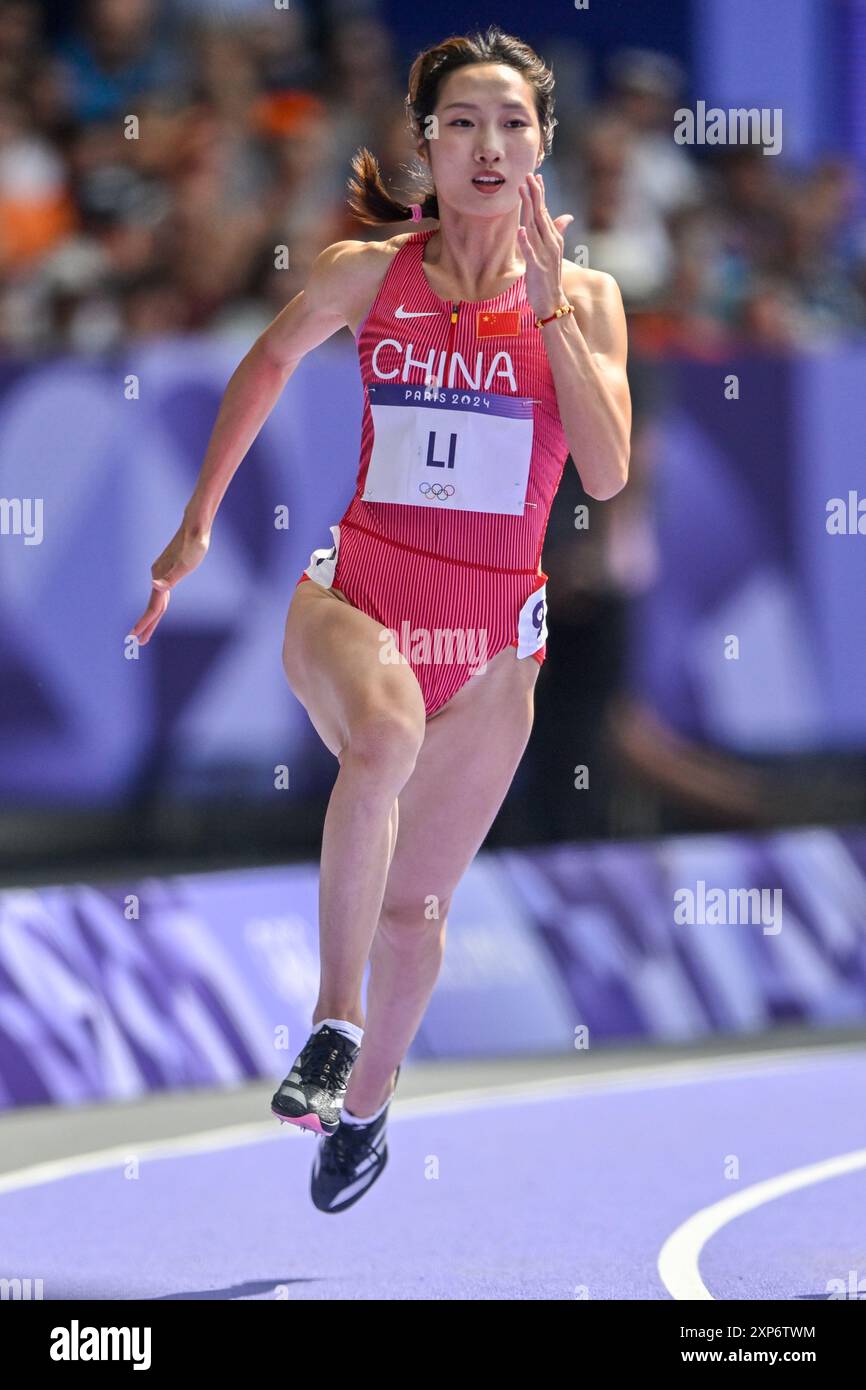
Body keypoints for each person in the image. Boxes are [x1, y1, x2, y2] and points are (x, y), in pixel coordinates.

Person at [128, 24, 630, 1215]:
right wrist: (197, 525)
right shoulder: (368, 273)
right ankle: (330, 1025)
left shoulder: (588, 299)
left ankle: (363, 1112)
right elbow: (264, 360)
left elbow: (602, 475)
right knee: (383, 735)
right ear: (426, 148)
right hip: (356, 596)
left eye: (511, 123)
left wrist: (553, 314)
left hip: (492, 646)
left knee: (419, 911)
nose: (488, 144)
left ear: (541, 146)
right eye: (461, 123)